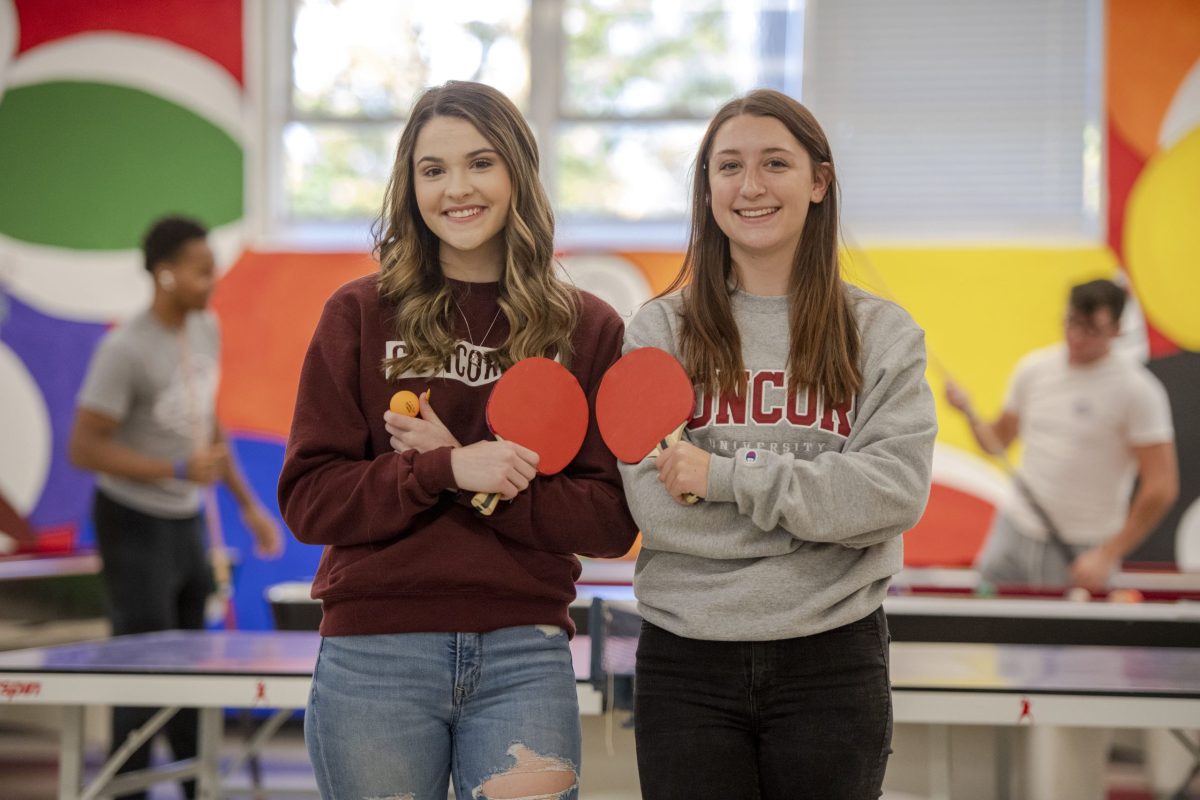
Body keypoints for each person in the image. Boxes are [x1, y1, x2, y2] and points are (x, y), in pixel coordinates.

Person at [277, 81, 637, 800]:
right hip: (374, 652)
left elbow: (609, 522)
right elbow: (310, 500)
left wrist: (483, 485)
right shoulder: (356, 314)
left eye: (480, 162)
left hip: (523, 654)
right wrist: (442, 468)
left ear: (518, 174)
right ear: (409, 187)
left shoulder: (587, 328)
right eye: (432, 169)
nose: (457, 188)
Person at [619, 89, 937, 800]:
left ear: (818, 182)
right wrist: (820, 523)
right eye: (729, 166)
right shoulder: (657, 333)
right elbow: (655, 509)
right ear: (708, 186)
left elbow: (891, 494)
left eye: (775, 163)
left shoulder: (882, 334)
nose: (751, 186)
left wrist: (724, 476)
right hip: (686, 660)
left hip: (832, 658)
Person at [69, 214, 283, 799]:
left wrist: (248, 506)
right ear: (164, 275)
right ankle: (127, 788)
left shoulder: (204, 328)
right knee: (142, 663)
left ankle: (194, 785)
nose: (213, 280)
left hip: (187, 516)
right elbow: (84, 447)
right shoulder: (124, 348)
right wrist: (173, 470)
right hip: (133, 520)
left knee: (193, 656)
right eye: (200, 270)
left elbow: (209, 423)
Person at [945, 278, 1178, 591]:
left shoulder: (1137, 390)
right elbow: (996, 444)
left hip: (1084, 549)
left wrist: (1108, 554)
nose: (1076, 336)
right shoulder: (1034, 369)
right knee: (990, 626)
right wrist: (969, 412)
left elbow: (1161, 486)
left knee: (1067, 637)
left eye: (1091, 329)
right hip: (1015, 530)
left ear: (1117, 331)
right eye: (1072, 322)